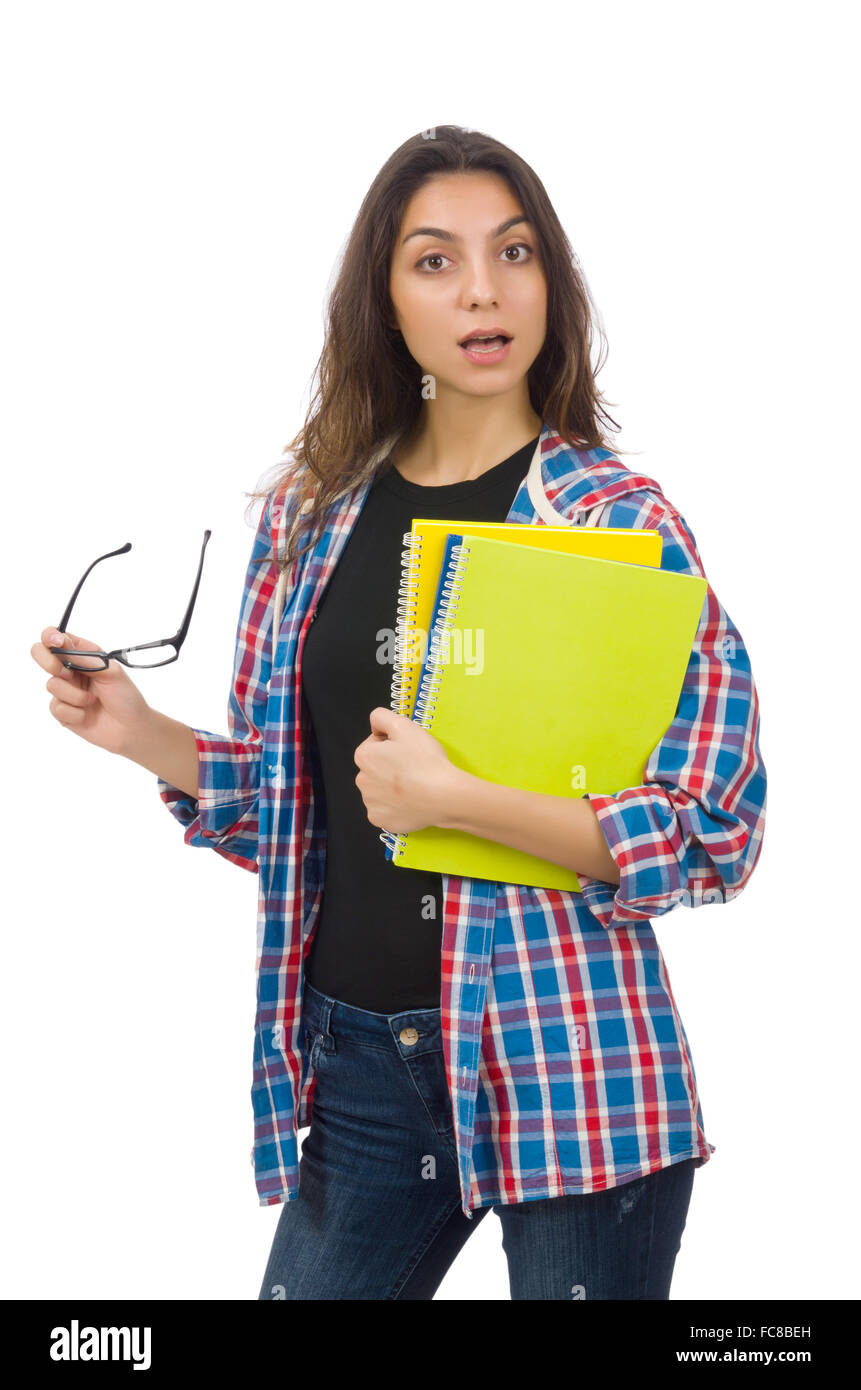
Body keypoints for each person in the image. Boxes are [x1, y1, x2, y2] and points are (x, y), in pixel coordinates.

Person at [32, 126, 767, 1300]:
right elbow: (296, 814)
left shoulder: (619, 523)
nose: (483, 287)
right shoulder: (310, 519)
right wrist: (141, 733)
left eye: (514, 252)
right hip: (363, 1069)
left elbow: (717, 827)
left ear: (551, 283)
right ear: (384, 301)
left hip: (571, 1067)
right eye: (435, 260)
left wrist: (462, 805)